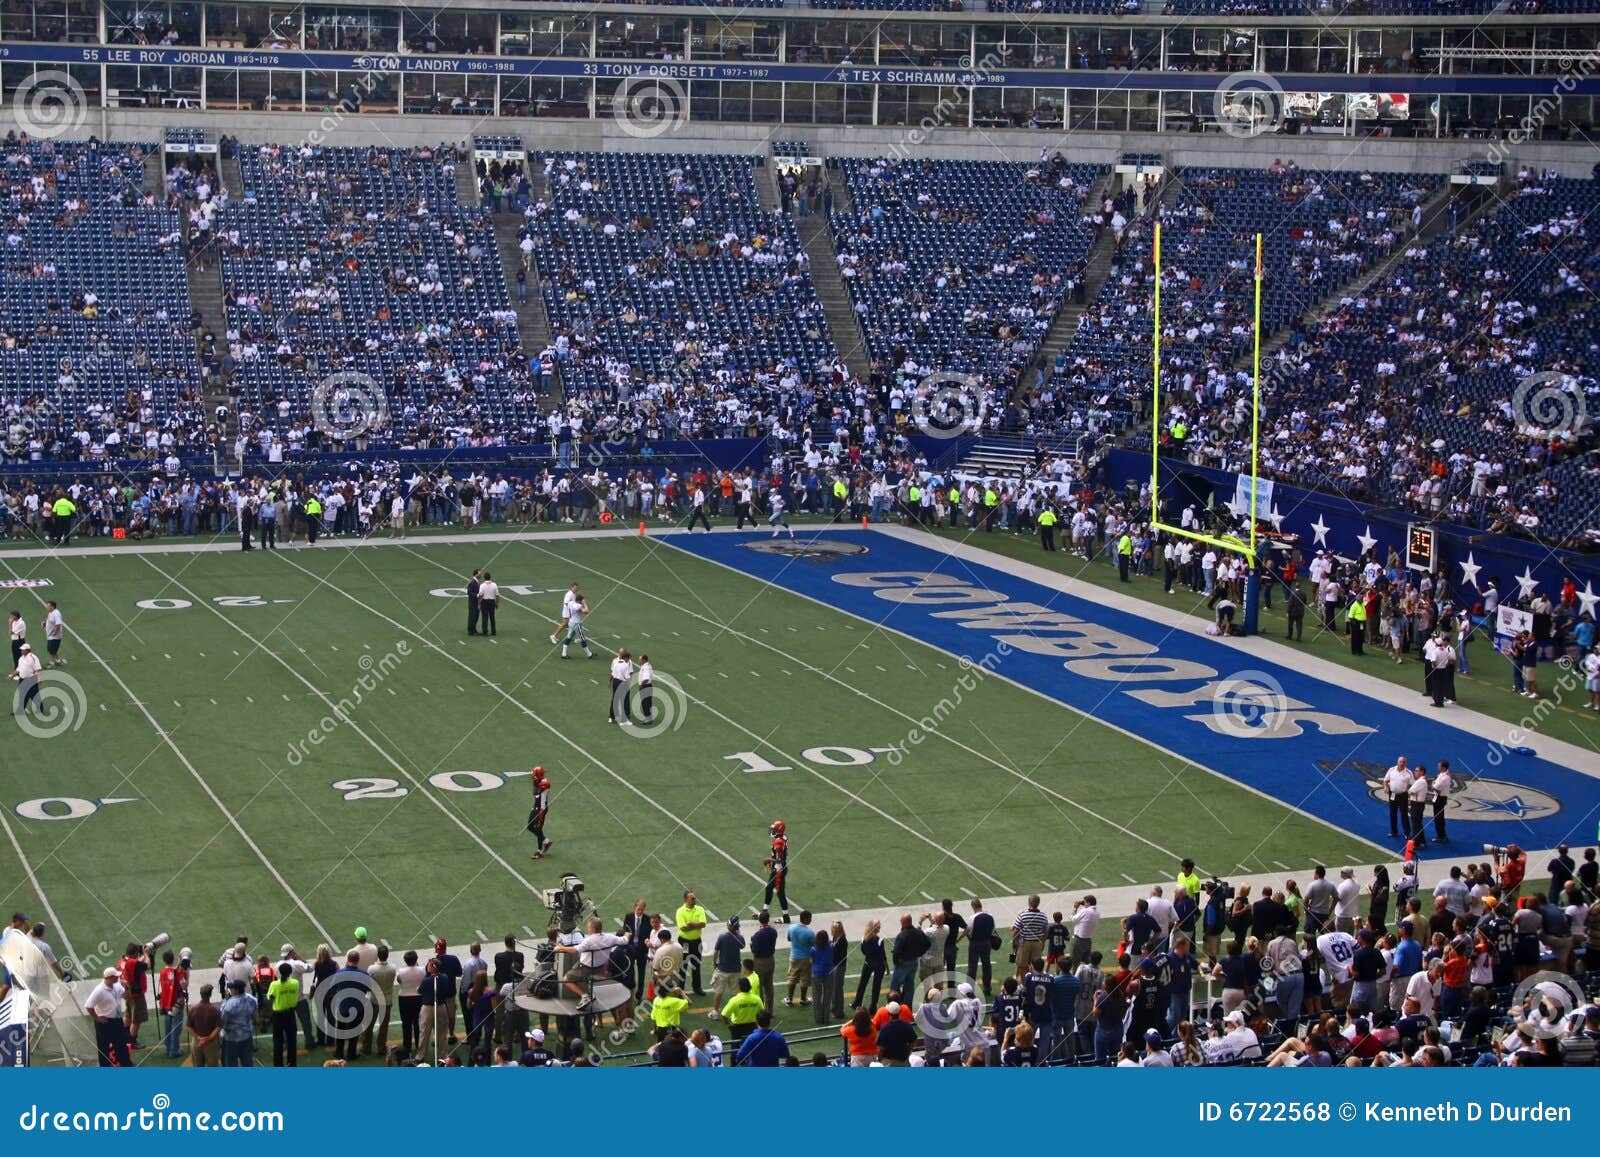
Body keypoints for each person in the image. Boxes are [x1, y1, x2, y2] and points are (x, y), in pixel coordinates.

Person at [553, 918, 631, 1010]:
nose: (587, 929)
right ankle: (588, 992)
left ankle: (585, 996)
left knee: (566, 979)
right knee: (578, 972)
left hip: (586, 967)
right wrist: (627, 934)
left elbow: (575, 950)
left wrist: (560, 948)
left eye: (589, 928)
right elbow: (625, 940)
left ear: (594, 929)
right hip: (600, 967)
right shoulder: (610, 937)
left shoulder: (589, 940)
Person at [87, 968, 131, 1067]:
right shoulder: (99, 990)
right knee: (103, 1048)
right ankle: (105, 1067)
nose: (118, 978)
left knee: (121, 1045)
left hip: (117, 1020)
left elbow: (126, 997)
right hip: (104, 1023)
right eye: (116, 977)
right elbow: (88, 1006)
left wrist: (127, 988)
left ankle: (126, 1065)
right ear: (110, 978)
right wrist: (97, 1018)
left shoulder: (116, 986)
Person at [267, 962, 301, 1066]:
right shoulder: (295, 983)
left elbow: (270, 998)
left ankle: (278, 1064)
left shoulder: (274, 984)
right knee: (291, 1040)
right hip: (290, 1014)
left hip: (278, 1014)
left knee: (278, 1041)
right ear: (290, 972)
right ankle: (292, 1063)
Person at [675, 891, 708, 995]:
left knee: (696, 965)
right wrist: (696, 925)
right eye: (692, 898)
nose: (695, 900)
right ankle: (681, 989)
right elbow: (683, 928)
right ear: (686, 900)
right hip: (685, 943)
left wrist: (691, 924)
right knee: (683, 965)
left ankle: (697, 988)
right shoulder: (680, 911)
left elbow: (703, 924)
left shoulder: (700, 909)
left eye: (694, 898)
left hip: (697, 942)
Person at [219, 978, 257, 1067]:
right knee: (247, 1062)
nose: (229, 989)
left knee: (231, 1063)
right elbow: (254, 1014)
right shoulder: (252, 999)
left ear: (235, 990)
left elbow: (223, 1022)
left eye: (231, 988)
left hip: (231, 1038)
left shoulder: (228, 1005)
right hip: (247, 1036)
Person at [551, 583, 594, 659]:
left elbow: (568, 604)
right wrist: (585, 603)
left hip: (571, 622)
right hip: (577, 624)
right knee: (583, 639)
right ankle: (589, 654)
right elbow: (587, 611)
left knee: (569, 638)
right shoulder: (578, 605)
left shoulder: (571, 603)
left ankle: (564, 654)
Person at [186, 982, 222, 1066]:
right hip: (211, 1044)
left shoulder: (193, 1009)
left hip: (197, 1042)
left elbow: (188, 1027)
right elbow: (218, 1027)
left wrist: (198, 1038)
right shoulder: (215, 1010)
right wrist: (208, 1038)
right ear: (210, 995)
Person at [764, 820, 789, 922]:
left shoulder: (779, 841)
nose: (773, 830)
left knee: (780, 893)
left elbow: (779, 859)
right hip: (778, 868)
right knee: (769, 888)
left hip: (779, 870)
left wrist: (768, 860)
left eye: (775, 829)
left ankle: (786, 916)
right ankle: (764, 911)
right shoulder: (782, 837)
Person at [1383, 756, 1413, 839]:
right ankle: (1394, 831)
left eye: (1403, 762)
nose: (1402, 763)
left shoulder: (1409, 773)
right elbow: (1385, 780)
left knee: (1404, 814)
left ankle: (1407, 833)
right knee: (1392, 813)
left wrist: (1408, 790)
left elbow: (1412, 784)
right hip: (1392, 794)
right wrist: (1386, 787)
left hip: (1403, 795)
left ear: (1405, 763)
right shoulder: (1391, 769)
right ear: (1397, 762)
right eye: (1400, 761)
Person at [607, 648, 635, 724]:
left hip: (615, 682)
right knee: (624, 699)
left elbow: (613, 673)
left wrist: (610, 682)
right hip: (623, 682)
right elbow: (627, 676)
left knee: (615, 699)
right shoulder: (625, 664)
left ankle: (612, 717)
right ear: (625, 657)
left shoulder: (616, 663)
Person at [41, 602, 64, 667]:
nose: (46, 607)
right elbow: (49, 620)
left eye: (48, 606)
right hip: (50, 635)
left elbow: (58, 624)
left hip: (55, 636)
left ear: (52, 607)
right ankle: (58, 660)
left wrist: (55, 633)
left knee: (52, 649)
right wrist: (45, 623)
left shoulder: (56, 613)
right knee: (51, 649)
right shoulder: (51, 612)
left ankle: (53, 662)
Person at [477, 572, 499, 636]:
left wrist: (479, 603)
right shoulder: (494, 585)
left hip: (484, 602)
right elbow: (497, 595)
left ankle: (485, 631)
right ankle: (493, 631)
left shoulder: (482, 585)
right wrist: (497, 603)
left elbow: (480, 595)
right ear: (490, 577)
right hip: (492, 602)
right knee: (492, 617)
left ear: (484, 578)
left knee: (484, 617)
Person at [466, 569, 482, 636]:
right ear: (476, 574)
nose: (480, 574)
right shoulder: (472, 583)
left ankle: (474, 629)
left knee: (476, 616)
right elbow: (469, 593)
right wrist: (477, 595)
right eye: (479, 573)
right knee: (472, 616)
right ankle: (470, 631)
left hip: (476, 603)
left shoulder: (477, 582)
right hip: (473, 603)